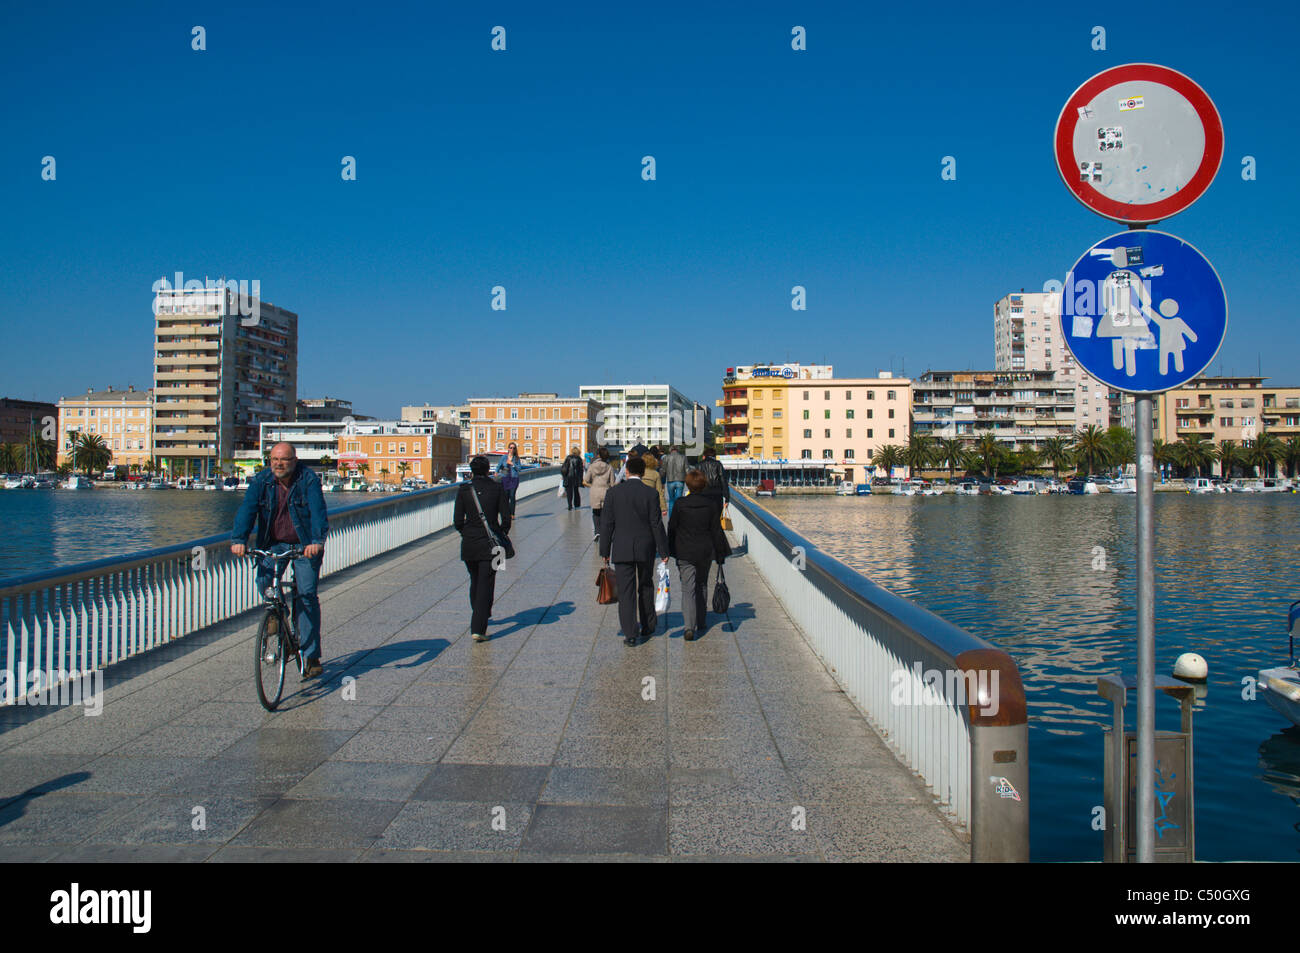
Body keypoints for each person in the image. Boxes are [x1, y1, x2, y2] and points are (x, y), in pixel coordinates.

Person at [231, 442, 328, 678]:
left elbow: (318, 511)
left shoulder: (308, 480)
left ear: (294, 461)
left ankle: (311, 655)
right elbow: (248, 510)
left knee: (305, 595)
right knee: (265, 582)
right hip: (273, 542)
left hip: (304, 544)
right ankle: (277, 615)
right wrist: (239, 539)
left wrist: (316, 541)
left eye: (283, 460)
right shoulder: (261, 481)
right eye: (274, 459)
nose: (278, 464)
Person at [600, 455, 669, 646]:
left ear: (627, 471)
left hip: (621, 548)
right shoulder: (650, 494)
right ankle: (648, 624)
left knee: (625, 590)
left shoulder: (614, 493)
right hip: (645, 547)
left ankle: (630, 633)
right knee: (646, 585)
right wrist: (664, 551)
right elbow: (656, 524)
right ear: (643, 472)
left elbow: (607, 524)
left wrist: (605, 550)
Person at [668, 469, 731, 640]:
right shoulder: (711, 505)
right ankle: (701, 620)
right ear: (704, 485)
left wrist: (670, 549)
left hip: (685, 551)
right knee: (702, 584)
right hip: (705, 550)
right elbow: (716, 531)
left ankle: (689, 626)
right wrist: (720, 553)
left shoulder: (680, 504)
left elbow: (672, 527)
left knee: (688, 588)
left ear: (687, 485)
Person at [454, 455, 512, 642]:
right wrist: (501, 533)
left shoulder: (464, 489)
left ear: (471, 471)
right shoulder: (497, 487)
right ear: (488, 470)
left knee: (475, 579)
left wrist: (467, 533)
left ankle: (479, 612)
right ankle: (479, 625)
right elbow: (506, 517)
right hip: (493, 544)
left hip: (470, 543)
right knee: (488, 582)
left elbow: (457, 521)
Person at [584, 446, 617, 542]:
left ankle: (597, 531)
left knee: (595, 512)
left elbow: (585, 480)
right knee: (605, 514)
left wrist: (592, 486)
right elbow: (612, 483)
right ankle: (605, 532)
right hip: (606, 491)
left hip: (594, 491)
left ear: (598, 455)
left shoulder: (592, 466)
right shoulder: (609, 467)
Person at [697, 446, 731, 516]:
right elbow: (723, 481)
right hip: (717, 495)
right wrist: (727, 497)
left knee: (705, 517)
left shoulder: (699, 465)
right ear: (714, 456)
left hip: (703, 495)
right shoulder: (718, 464)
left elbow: (696, 482)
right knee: (717, 517)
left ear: (704, 456)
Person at [495, 443, 522, 518]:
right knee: (506, 497)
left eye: (514, 448)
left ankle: (512, 514)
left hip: (514, 479)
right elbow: (499, 465)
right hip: (505, 478)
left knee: (512, 495)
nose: (512, 449)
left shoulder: (516, 458)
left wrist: (513, 464)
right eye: (511, 448)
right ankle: (506, 513)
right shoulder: (504, 457)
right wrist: (496, 472)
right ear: (508, 448)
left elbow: (519, 468)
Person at [660, 445, 687, 519]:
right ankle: (678, 518)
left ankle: (671, 518)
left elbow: (663, 470)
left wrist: (659, 478)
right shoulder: (683, 457)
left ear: (670, 450)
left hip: (670, 481)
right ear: (677, 450)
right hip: (680, 481)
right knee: (678, 501)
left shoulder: (666, 457)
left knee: (671, 500)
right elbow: (687, 469)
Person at [640, 450, 668, 519]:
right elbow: (659, 492)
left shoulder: (639, 473)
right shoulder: (655, 474)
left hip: (640, 501)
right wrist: (663, 508)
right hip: (652, 502)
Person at [561, 446, 585, 510]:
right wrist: (581, 479)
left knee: (569, 492)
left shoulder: (568, 458)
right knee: (576, 491)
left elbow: (564, 468)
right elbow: (581, 470)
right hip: (576, 477)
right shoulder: (579, 459)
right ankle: (576, 505)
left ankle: (570, 505)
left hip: (568, 477)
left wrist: (563, 476)